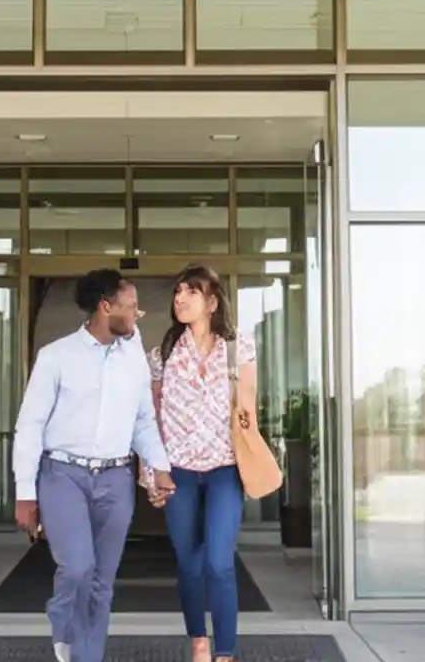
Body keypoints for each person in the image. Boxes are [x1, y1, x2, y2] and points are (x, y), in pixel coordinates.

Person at [11, 269, 176, 662]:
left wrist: (160, 465)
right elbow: (29, 426)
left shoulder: (133, 358)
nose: (138, 313)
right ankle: (64, 624)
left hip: (116, 479)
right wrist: (24, 494)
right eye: (132, 306)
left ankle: (87, 657)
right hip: (63, 476)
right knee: (78, 568)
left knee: (102, 582)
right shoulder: (56, 357)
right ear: (106, 307)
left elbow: (142, 420)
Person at [146, 265, 255, 662]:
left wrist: (251, 465)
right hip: (178, 471)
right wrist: (151, 474)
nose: (181, 298)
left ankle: (224, 653)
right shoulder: (161, 356)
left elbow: (248, 413)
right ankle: (199, 642)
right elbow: (150, 420)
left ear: (211, 302)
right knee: (189, 563)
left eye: (191, 291)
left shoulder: (238, 347)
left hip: (225, 469)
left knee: (219, 562)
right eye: (177, 292)